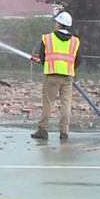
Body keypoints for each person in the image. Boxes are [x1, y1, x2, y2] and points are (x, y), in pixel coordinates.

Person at [30, 11, 82, 140]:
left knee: (48, 102)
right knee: (66, 103)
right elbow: (78, 60)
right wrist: (68, 68)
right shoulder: (75, 41)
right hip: (68, 76)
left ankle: (43, 130)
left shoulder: (47, 38)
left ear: (59, 24)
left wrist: (45, 63)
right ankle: (64, 132)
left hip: (52, 75)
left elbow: (43, 57)